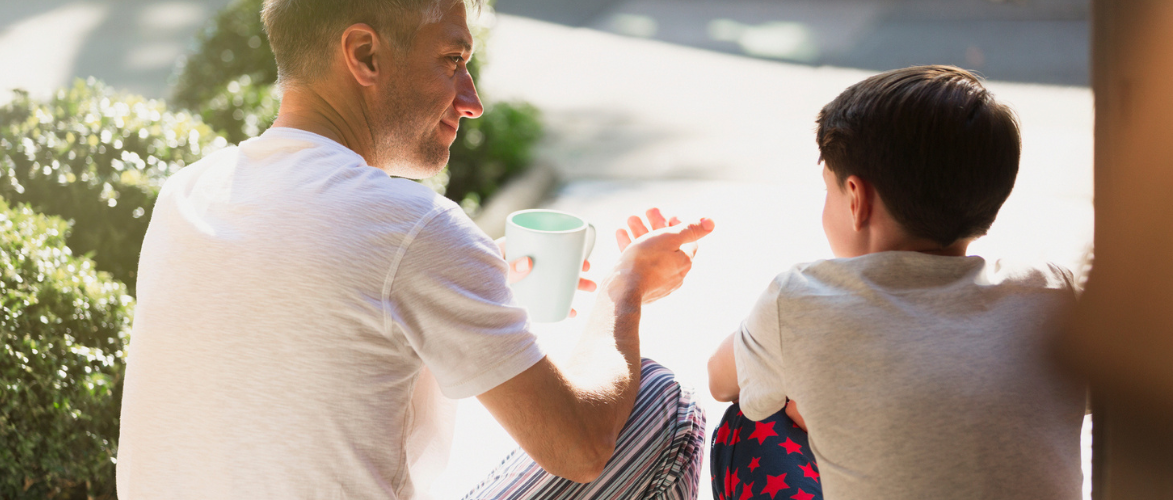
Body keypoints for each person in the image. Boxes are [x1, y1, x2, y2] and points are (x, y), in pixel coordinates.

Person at [115, 0, 712, 498]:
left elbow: (303, 323)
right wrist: (625, 287)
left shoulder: (187, 192)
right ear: (365, 55)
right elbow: (578, 446)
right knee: (662, 402)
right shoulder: (413, 229)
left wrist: (465, 273)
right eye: (452, 61)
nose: (471, 100)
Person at [705, 65, 1086, 499]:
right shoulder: (1051, 293)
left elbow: (721, 380)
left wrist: (823, 398)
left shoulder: (802, 298)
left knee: (751, 416)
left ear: (857, 198)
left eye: (828, 192)